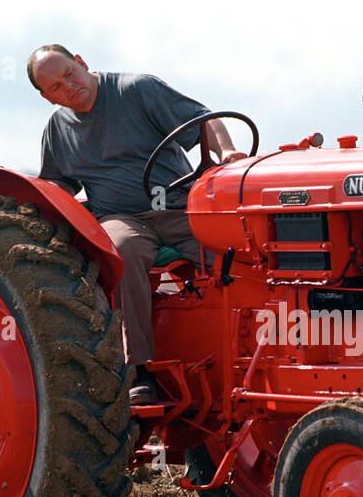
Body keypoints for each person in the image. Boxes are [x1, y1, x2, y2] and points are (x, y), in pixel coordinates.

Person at [27, 44, 244, 404]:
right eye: (56, 87)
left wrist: (228, 155)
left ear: (81, 61)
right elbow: (59, 183)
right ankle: (141, 372)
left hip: (176, 207)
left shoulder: (136, 90)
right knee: (121, 250)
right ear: (47, 97)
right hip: (122, 218)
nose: (69, 86)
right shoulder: (58, 128)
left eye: (69, 74)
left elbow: (206, 121)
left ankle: (240, 356)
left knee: (234, 254)